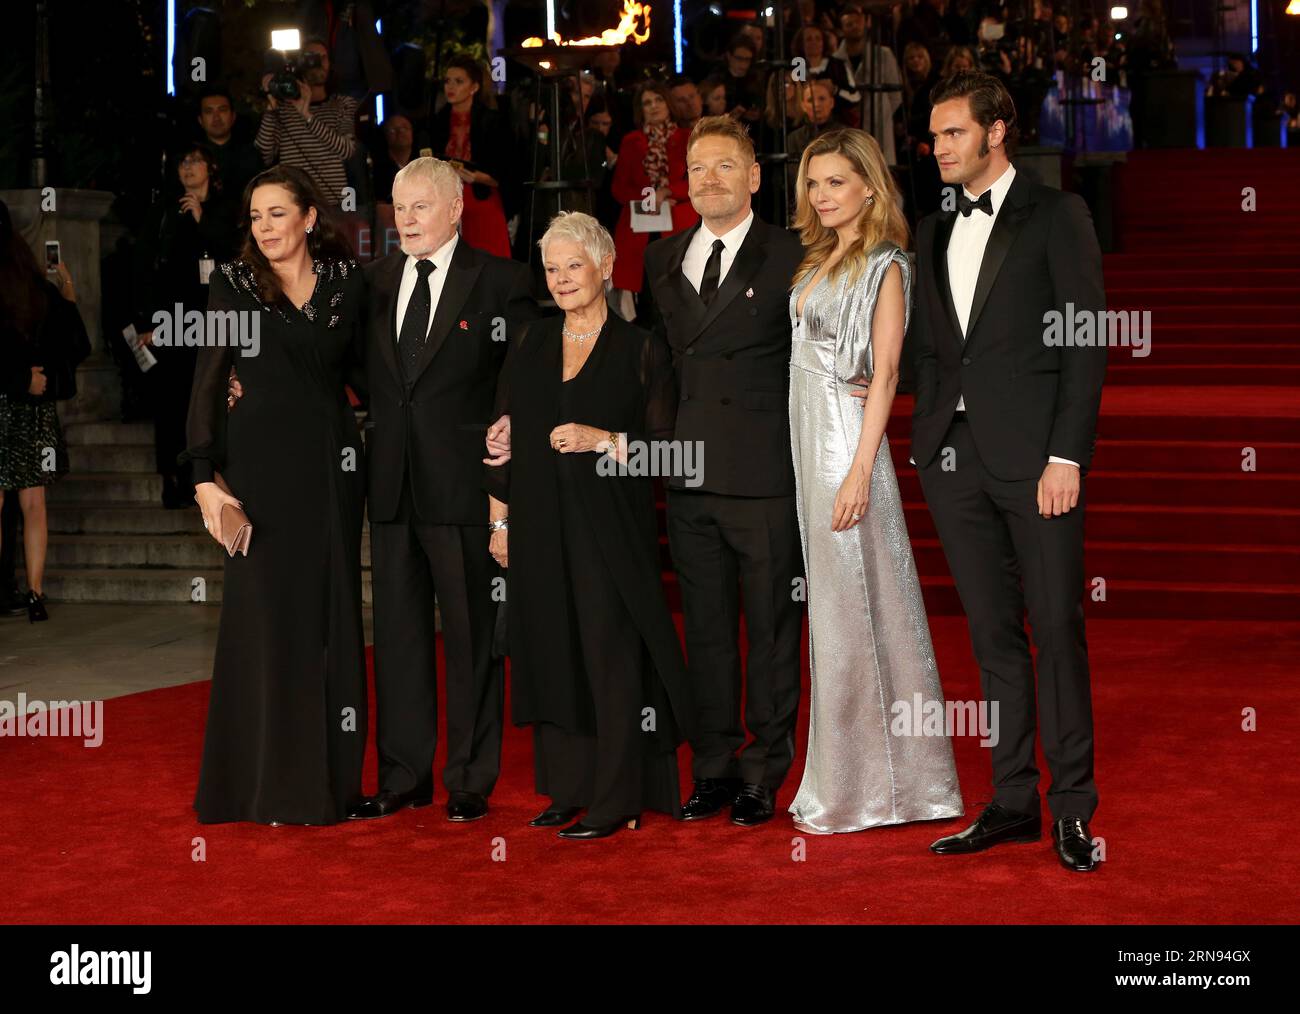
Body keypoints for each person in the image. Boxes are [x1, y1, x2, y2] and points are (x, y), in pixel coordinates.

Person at [912, 73, 1106, 873]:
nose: (937, 149)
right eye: (932, 137)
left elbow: (1085, 341)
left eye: (952, 133)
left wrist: (1067, 457)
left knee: (1056, 631)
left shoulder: (1057, 214)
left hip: (1036, 465)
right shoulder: (931, 228)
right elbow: (936, 344)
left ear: (996, 132)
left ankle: (1071, 811)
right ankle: (1013, 800)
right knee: (992, 640)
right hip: (952, 465)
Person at [484, 211, 693, 839]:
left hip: (609, 532)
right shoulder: (528, 342)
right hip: (540, 527)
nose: (562, 279)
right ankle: (566, 789)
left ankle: (616, 794)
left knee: (609, 657)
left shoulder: (641, 348)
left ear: (605, 267)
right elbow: (501, 447)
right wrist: (500, 523)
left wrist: (603, 439)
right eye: (551, 269)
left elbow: (673, 455)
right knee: (552, 651)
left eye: (574, 265)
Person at [786, 128, 963, 833]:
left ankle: (877, 790)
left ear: (868, 186)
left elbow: (886, 372)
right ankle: (850, 777)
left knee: (852, 612)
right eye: (814, 183)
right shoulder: (820, 256)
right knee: (835, 614)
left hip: (841, 447)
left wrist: (861, 468)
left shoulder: (887, 264)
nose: (822, 195)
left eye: (836, 181)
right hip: (808, 439)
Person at [347, 157, 535, 823]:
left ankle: (468, 778)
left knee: (471, 638)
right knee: (396, 639)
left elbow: (521, 375)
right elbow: (342, 366)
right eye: (399, 208)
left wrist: (509, 449)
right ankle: (403, 775)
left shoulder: (501, 282)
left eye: (421, 206)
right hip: (392, 487)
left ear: (455, 209)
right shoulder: (372, 282)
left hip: (466, 490)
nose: (407, 219)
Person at [183, 165, 367, 825]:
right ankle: (254, 787)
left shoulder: (348, 282)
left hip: (331, 468)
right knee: (261, 622)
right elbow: (209, 377)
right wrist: (205, 476)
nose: (264, 228)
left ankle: (328, 787)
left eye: (277, 214)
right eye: (255, 217)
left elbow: (372, 371)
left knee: (330, 618)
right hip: (258, 473)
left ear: (309, 217)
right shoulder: (232, 284)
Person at [638, 116, 805, 827]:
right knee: (703, 629)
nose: (708, 180)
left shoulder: (794, 252)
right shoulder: (663, 256)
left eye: (724, 167)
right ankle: (713, 765)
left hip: (765, 470)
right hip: (687, 472)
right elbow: (657, 365)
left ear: (755, 176)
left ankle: (765, 770)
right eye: (698, 169)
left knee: (770, 629)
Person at [132, 142, 238, 508]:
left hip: (217, 319)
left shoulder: (225, 210)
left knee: (213, 398)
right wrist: (146, 321)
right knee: (173, 399)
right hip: (174, 321)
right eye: (183, 161)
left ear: (211, 168)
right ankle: (174, 478)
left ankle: (211, 475)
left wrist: (201, 218)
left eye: (196, 161)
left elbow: (235, 255)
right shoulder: (164, 211)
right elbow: (148, 266)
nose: (189, 168)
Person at [0, 200, 89, 622]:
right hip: (33, 411)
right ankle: (36, 594)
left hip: (6, 405)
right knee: (33, 503)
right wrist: (69, 299)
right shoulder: (36, 287)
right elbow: (75, 347)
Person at [609, 82, 699, 315]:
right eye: (647, 103)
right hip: (641, 225)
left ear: (668, 104)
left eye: (658, 100)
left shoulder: (688, 137)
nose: (654, 106)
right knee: (646, 300)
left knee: (679, 294)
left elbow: (696, 180)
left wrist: (668, 192)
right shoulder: (631, 141)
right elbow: (619, 188)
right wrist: (649, 197)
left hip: (678, 221)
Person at [255, 38, 359, 207]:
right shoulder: (282, 107)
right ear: (300, 63)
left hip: (334, 203)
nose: (316, 63)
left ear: (329, 63)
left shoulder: (343, 104)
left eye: (322, 57)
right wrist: (271, 102)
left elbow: (347, 150)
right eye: (311, 57)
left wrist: (307, 115)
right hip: (294, 203)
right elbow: (263, 155)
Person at [428, 55, 514, 259]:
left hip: (481, 199)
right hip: (445, 201)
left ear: (474, 87)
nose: (451, 87)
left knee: (488, 263)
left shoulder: (493, 122)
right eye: (448, 81)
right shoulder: (437, 122)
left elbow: (508, 170)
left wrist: (475, 177)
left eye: (459, 81)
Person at [195, 86, 263, 199]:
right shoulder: (191, 157)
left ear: (233, 116)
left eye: (222, 110)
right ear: (200, 120)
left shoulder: (250, 154)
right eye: (209, 111)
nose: (216, 117)